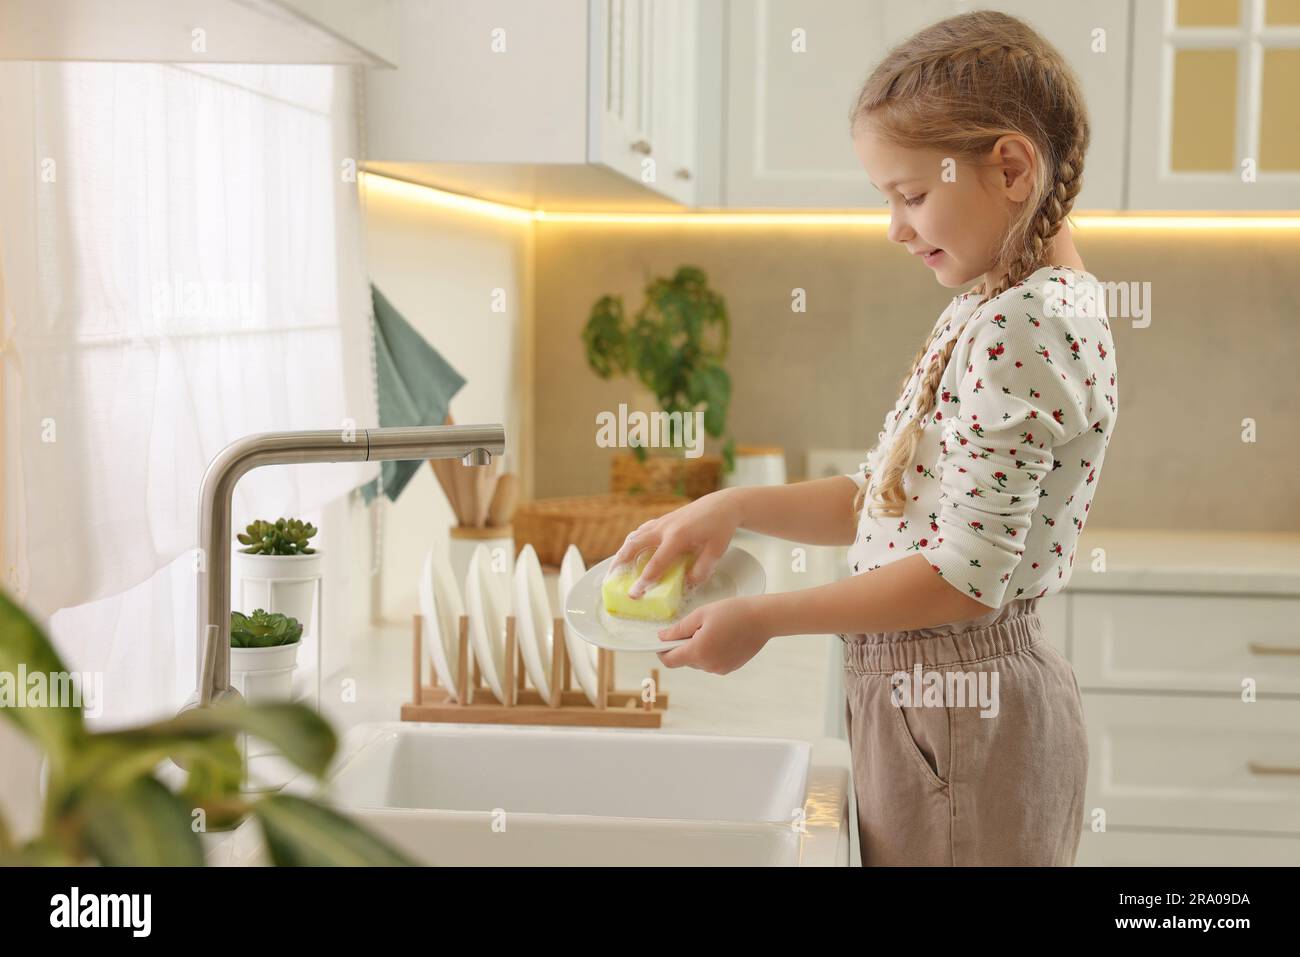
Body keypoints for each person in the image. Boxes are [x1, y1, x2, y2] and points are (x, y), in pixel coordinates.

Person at [609, 10, 1117, 866]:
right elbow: (887, 501)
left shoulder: (1022, 326)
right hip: (941, 701)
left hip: (958, 705)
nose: (895, 227)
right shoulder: (998, 305)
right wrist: (731, 507)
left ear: (1011, 167)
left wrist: (766, 618)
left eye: (912, 195)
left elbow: (962, 582)